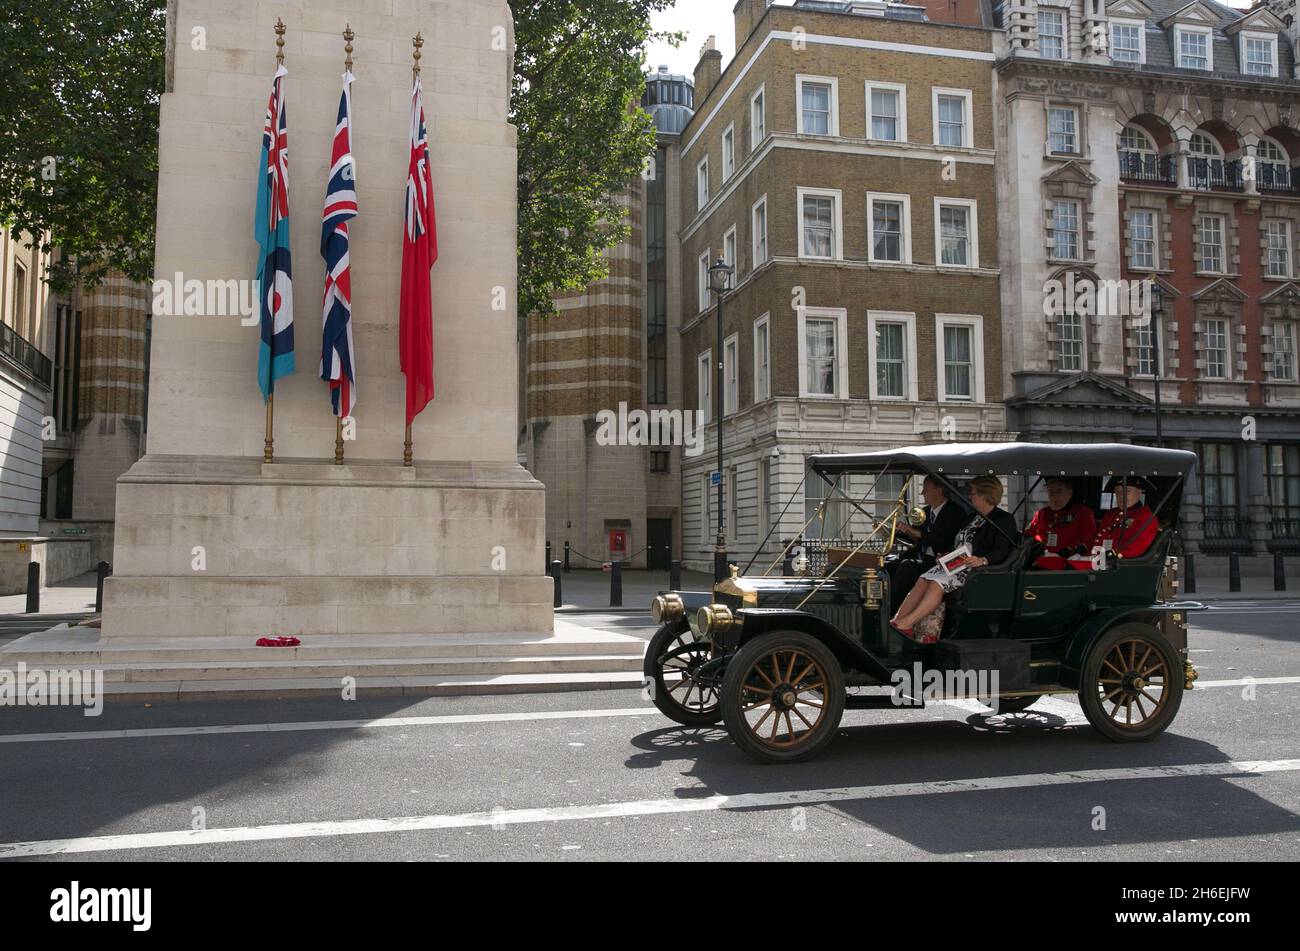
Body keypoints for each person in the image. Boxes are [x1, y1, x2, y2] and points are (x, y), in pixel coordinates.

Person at [889, 476, 1019, 636]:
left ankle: (907, 623)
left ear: (986, 495)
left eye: (973, 493)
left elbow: (1002, 550)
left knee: (937, 583)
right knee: (923, 579)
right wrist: (945, 554)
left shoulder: (1003, 519)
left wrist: (982, 560)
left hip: (974, 568)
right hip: (956, 562)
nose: (970, 496)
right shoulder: (972, 517)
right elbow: (958, 542)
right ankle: (897, 619)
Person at [891, 475, 967, 601]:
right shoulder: (925, 512)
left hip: (939, 561)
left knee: (906, 566)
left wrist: (913, 531)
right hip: (921, 557)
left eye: (926, 489)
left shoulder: (955, 512)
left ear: (939, 491)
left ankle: (893, 610)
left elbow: (941, 538)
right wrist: (896, 532)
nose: (922, 493)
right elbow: (915, 537)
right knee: (890, 564)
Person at [1067, 476, 1159, 570]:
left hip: (1117, 566)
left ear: (1139, 492)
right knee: (1063, 564)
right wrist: (1083, 548)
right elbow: (1096, 536)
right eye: (1118, 492)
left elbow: (1135, 548)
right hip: (1098, 561)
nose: (1122, 495)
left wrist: (1107, 557)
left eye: (1127, 491)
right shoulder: (1111, 513)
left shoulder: (1146, 517)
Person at [1024, 477, 1097, 570]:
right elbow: (1028, 535)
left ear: (1070, 493)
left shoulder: (1083, 513)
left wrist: (1070, 550)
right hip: (1040, 564)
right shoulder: (1042, 514)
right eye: (1051, 492)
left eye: (1059, 491)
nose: (1054, 496)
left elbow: (1088, 538)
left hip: (1067, 565)